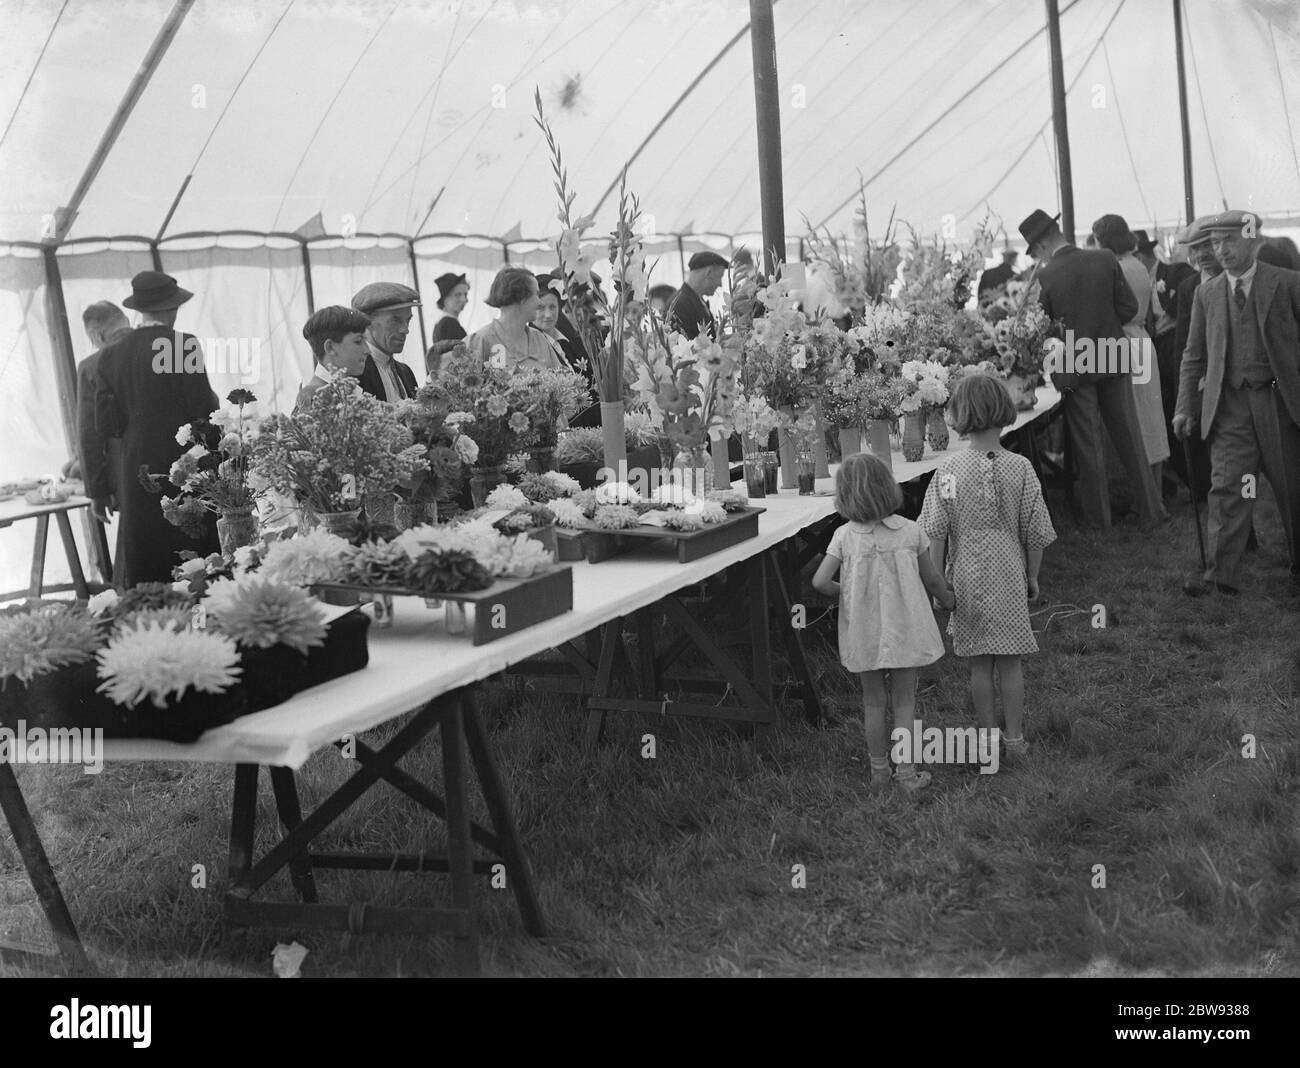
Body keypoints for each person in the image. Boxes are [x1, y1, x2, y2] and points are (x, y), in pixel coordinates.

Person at [920, 373, 1056, 761]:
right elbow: (1035, 531)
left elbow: (935, 532)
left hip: (967, 579)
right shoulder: (1021, 468)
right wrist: (1032, 575)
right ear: (1003, 410)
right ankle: (1015, 741)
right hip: (1010, 576)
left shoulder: (949, 471)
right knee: (1011, 662)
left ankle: (987, 742)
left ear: (960, 414)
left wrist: (938, 585)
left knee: (980, 664)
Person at [1173, 209, 1300, 597]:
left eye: (1229, 240)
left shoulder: (1288, 284)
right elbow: (1193, 355)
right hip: (1229, 407)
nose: (1220, 250)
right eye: (1215, 243)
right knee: (1228, 487)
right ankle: (1220, 576)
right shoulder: (1206, 293)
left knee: (1292, 488)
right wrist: (1185, 407)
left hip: (1280, 404)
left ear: (1253, 241)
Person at [812, 453, 954, 793]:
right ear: (888, 487)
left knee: (873, 702)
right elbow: (932, 579)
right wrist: (950, 600)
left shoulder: (844, 537)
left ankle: (879, 772)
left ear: (844, 495)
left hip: (864, 630)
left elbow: (819, 581)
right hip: (905, 629)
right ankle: (906, 774)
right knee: (904, 701)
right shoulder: (910, 531)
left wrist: (847, 592)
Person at [1020, 207, 1163, 529]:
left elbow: (1043, 330)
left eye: (1036, 253)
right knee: (1130, 437)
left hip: (1074, 366)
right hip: (1112, 356)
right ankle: (1152, 509)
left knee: (1089, 446)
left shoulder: (1046, 277)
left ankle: (1101, 522)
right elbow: (1129, 308)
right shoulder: (1105, 258)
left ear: (1041, 246)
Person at [94, 271, 219, 586]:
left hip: (137, 469)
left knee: (149, 553)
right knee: (194, 555)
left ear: (139, 309)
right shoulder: (182, 345)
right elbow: (204, 411)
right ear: (171, 308)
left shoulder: (109, 355)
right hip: (185, 464)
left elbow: (107, 423)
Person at [1093, 214, 1169, 491]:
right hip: (1142, 339)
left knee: (1132, 417)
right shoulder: (1137, 264)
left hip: (1125, 341)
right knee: (1150, 416)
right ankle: (1155, 490)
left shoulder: (1116, 268)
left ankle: (1142, 494)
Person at [1170, 217, 1219, 502]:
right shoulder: (1188, 287)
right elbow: (1183, 343)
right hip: (1200, 379)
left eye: (1207, 246)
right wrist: (1184, 393)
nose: (1201, 254)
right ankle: (1207, 492)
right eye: (1195, 248)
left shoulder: (1233, 281)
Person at [76, 302, 132, 524]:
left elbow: (89, 434)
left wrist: (97, 492)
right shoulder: (161, 351)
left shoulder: (91, 367)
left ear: (96, 336)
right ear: (126, 321)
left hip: (125, 475)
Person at [466, 266, 560, 372]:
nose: (540, 302)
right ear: (521, 298)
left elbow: (563, 378)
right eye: (536, 295)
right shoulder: (480, 341)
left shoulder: (540, 340)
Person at [351, 282, 421, 402]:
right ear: (367, 322)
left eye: (408, 320)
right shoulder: (355, 374)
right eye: (395, 321)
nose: (405, 330)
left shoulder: (406, 372)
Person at [294, 305, 371, 413]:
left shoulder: (346, 392)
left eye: (365, 341)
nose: (367, 350)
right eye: (358, 341)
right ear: (330, 347)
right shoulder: (314, 400)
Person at [667, 251, 728, 340]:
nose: (720, 284)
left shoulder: (696, 300)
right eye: (719, 277)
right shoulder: (679, 304)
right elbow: (685, 344)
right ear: (709, 273)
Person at [426, 272, 469, 375]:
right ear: (445, 299)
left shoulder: (443, 322)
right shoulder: (449, 324)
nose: (464, 299)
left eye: (465, 294)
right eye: (457, 295)